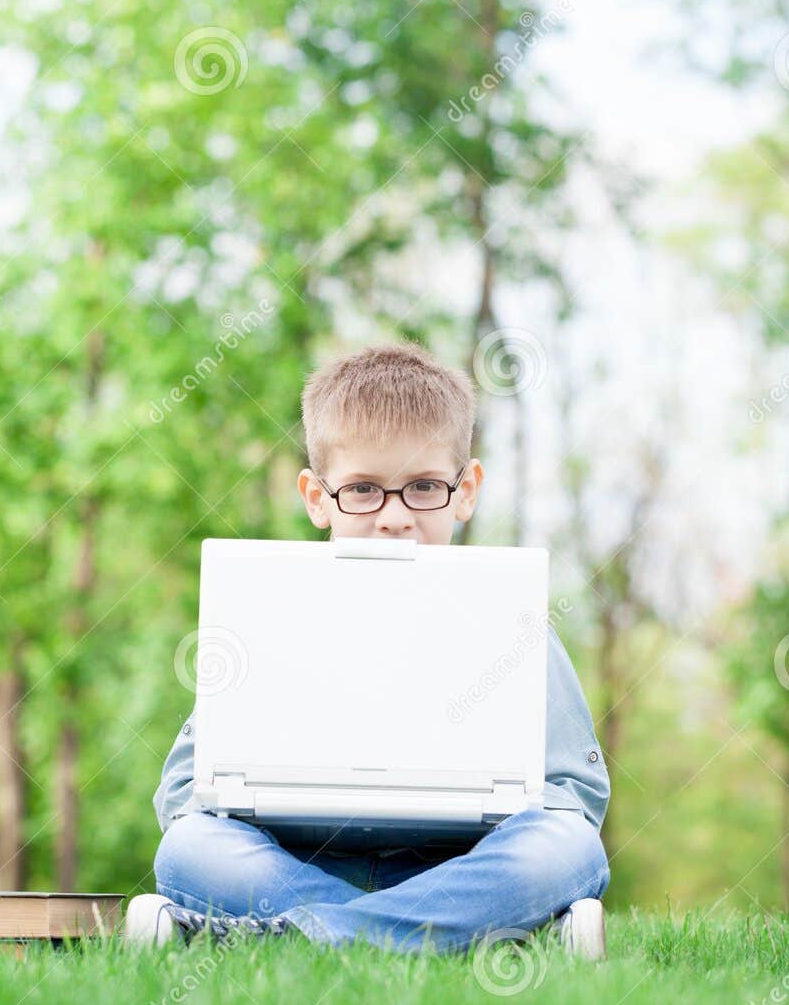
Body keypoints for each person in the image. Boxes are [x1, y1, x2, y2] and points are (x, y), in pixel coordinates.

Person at [124, 342, 611, 956]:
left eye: (424, 486)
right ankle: (429, 937)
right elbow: (184, 788)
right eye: (362, 490)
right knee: (191, 849)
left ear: (466, 490)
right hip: (298, 870)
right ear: (316, 497)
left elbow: (575, 791)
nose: (394, 517)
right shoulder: (270, 606)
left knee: (565, 847)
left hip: (453, 875)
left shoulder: (510, 617)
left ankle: (313, 935)